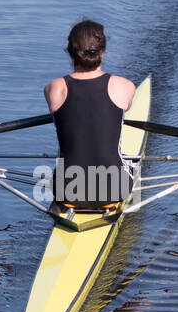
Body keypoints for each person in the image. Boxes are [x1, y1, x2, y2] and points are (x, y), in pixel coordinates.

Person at [44, 20, 137, 209]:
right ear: (102, 53)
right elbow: (122, 107)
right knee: (131, 161)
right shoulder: (125, 86)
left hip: (67, 191)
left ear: (70, 54)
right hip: (113, 190)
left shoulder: (54, 88)